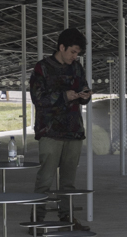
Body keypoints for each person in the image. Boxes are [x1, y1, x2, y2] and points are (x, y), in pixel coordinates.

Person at [28, 28, 92, 209]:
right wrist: (64, 96)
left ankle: (67, 217)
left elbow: (84, 87)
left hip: (73, 131)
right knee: (45, 179)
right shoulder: (43, 68)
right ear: (61, 47)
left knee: (68, 182)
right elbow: (38, 99)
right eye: (73, 52)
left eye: (77, 53)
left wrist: (84, 96)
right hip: (50, 131)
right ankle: (37, 219)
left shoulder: (77, 68)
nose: (75, 56)